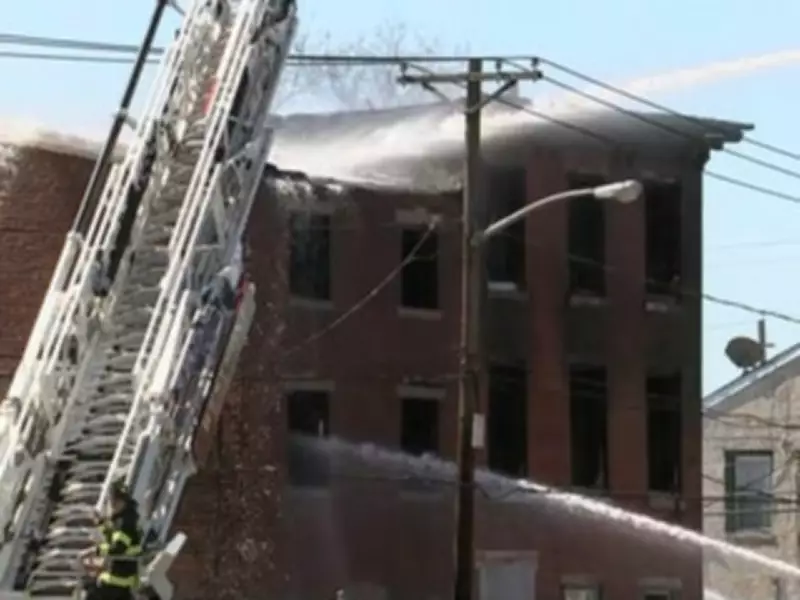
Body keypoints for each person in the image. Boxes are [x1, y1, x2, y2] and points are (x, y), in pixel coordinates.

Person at [81, 479, 143, 600]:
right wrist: (101, 524)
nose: (112, 504)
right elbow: (113, 538)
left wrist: (94, 551)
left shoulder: (125, 523)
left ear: (121, 501)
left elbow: (118, 548)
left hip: (118, 579)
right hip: (122, 579)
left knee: (90, 592)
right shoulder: (125, 518)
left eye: (114, 501)